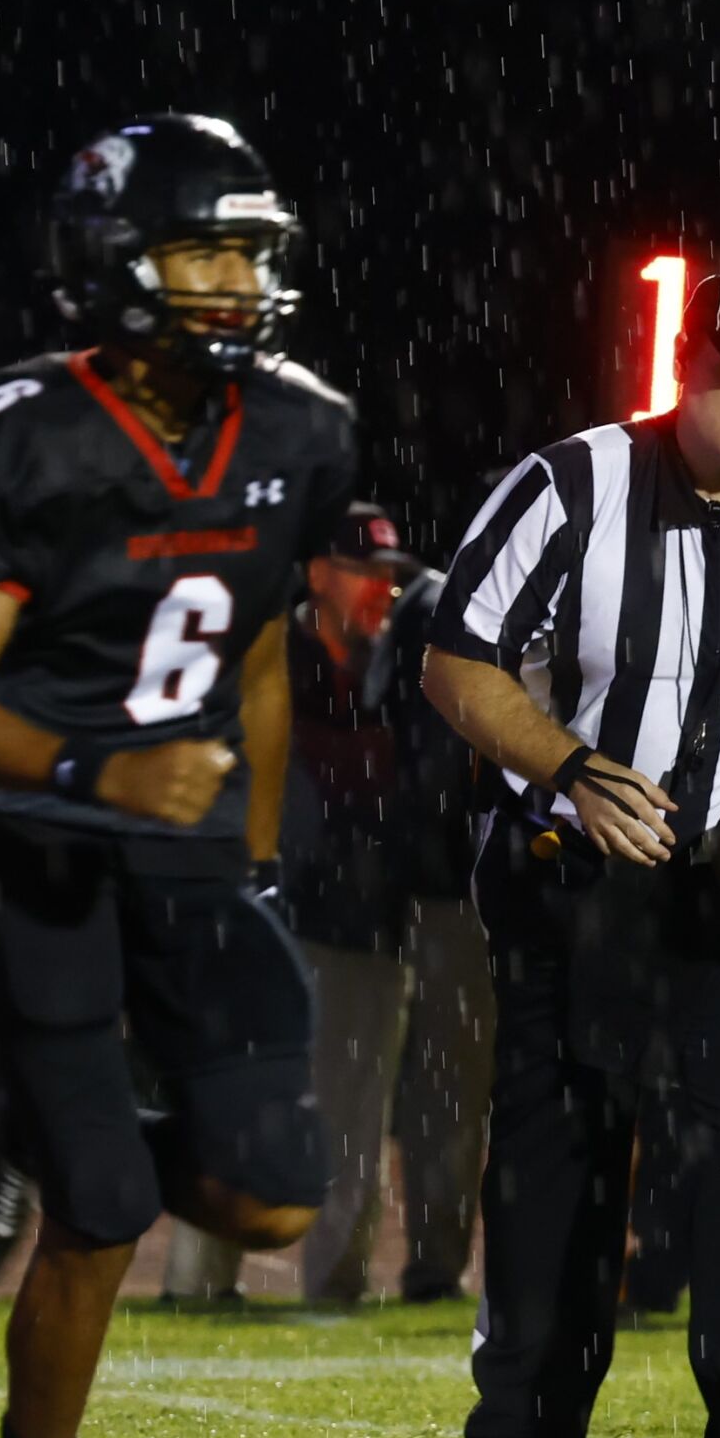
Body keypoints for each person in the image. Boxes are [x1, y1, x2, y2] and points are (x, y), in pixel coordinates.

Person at [0, 113, 357, 1438]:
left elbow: (268, 658)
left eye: (246, 249)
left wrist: (259, 855)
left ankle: (45, 1145)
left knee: (275, 1198)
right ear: (115, 262)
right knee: (110, 1206)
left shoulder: (297, 426)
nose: (233, 278)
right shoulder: (22, 430)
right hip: (44, 843)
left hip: (192, 851)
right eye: (202, 246)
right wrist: (100, 766)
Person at [424, 261, 720, 1438]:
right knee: (561, 1152)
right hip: (576, 872)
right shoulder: (576, 480)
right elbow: (457, 662)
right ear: (686, 356)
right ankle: (521, 1433)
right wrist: (573, 767)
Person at [162, 503, 492, 1306]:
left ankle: (338, 1284)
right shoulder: (278, 650)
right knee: (257, 1086)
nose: (381, 587)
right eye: (362, 572)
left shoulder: (393, 656)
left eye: (388, 574)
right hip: (276, 899)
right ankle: (198, 1281)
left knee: (356, 1105)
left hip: (359, 907)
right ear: (318, 575)